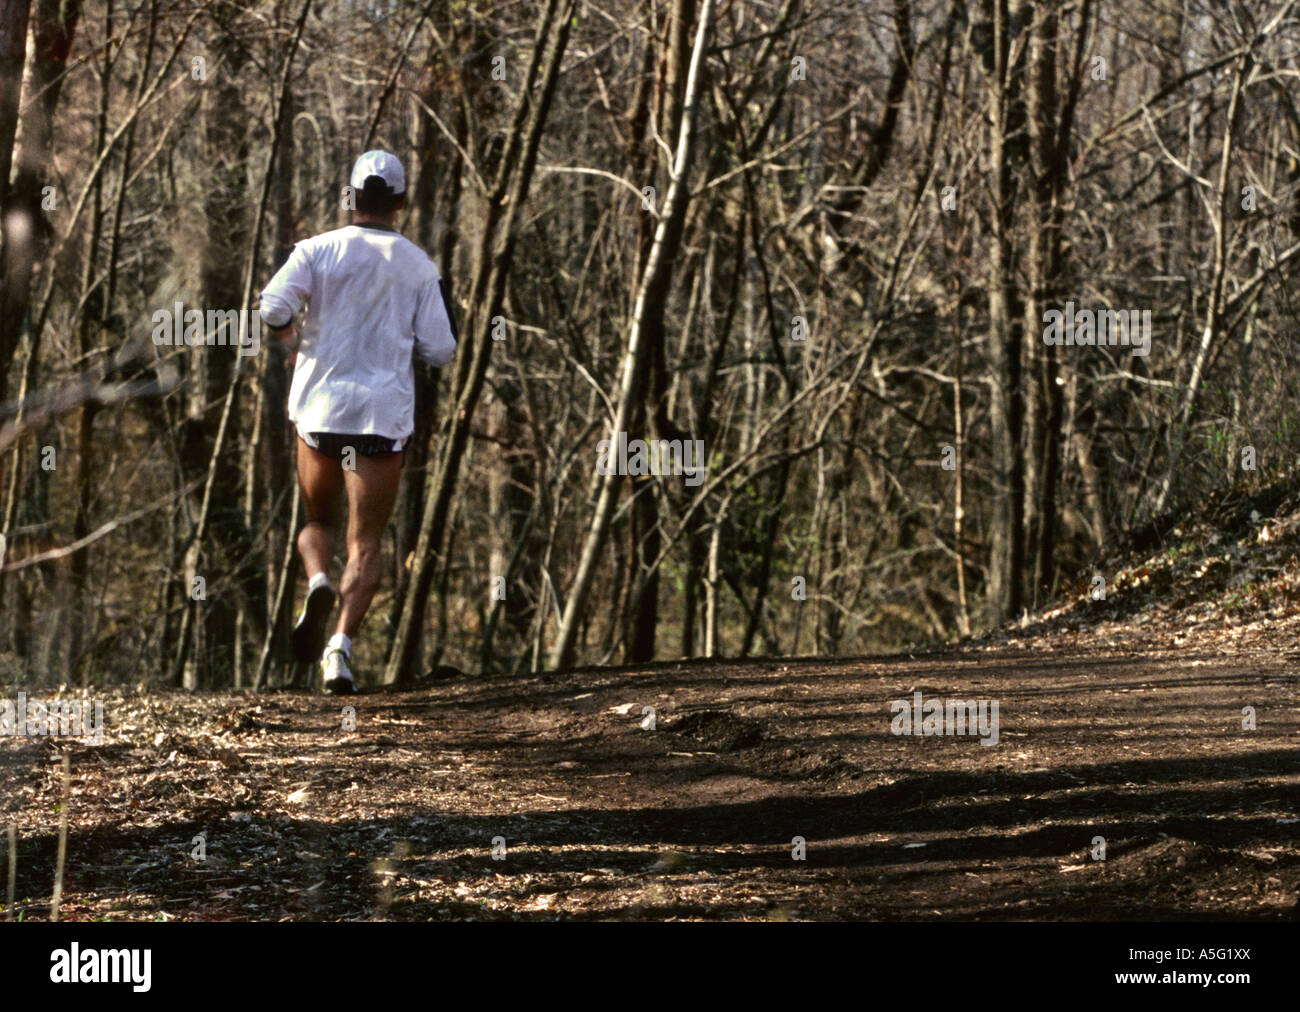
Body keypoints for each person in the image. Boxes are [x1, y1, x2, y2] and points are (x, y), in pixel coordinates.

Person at [258, 151, 458, 694]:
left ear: (350, 197)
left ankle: (318, 579)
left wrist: (295, 345)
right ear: (400, 203)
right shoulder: (418, 266)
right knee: (367, 542)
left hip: (319, 412)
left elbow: (272, 307)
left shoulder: (317, 250)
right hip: (381, 418)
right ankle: (339, 652)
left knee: (315, 522)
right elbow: (441, 350)